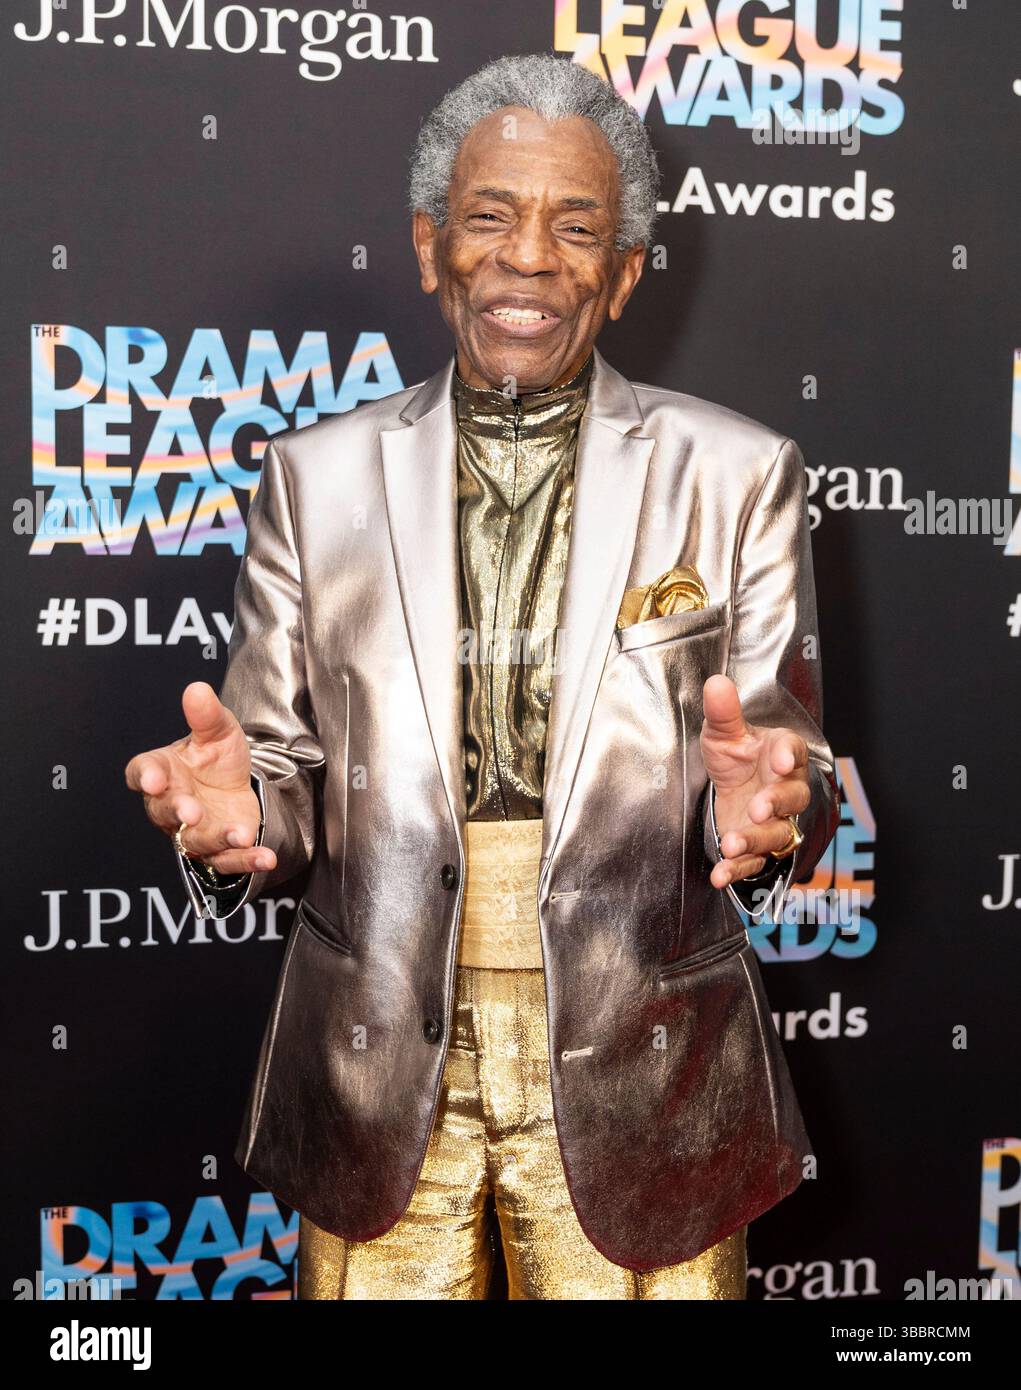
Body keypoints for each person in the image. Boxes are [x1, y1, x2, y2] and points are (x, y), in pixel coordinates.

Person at [125, 52, 839, 1300]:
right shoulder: (314, 479)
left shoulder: (738, 474)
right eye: (490, 216)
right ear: (429, 246)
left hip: (647, 1059)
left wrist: (771, 812)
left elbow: (786, 769)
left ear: (624, 272)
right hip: (376, 1059)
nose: (528, 259)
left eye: (577, 229)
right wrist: (244, 818)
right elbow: (277, 771)